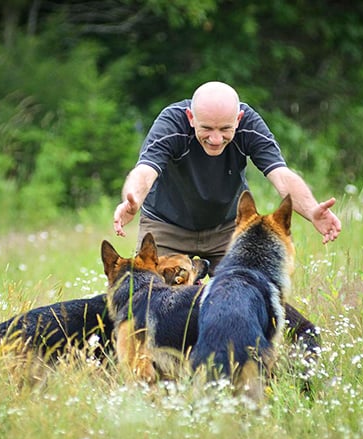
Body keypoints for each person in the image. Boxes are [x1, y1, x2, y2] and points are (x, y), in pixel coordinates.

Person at [112, 81, 341, 350]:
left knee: (251, 295)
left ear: (238, 119)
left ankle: (282, 351)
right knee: (149, 301)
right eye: (206, 129)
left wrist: (311, 210)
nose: (216, 138)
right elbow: (145, 170)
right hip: (167, 223)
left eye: (225, 129)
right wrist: (133, 199)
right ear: (190, 118)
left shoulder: (249, 124)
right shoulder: (172, 122)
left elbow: (281, 175)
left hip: (225, 228)